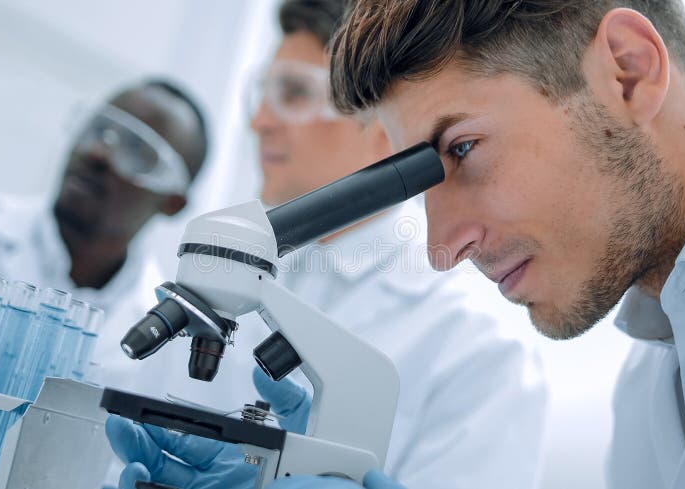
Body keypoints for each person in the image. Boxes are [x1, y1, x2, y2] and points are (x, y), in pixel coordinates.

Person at [106, 1, 548, 489]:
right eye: (263, 94)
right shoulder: (238, 281)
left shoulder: (477, 349)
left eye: (293, 94)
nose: (260, 124)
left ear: (384, 130)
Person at [0, 78, 218, 404]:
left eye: (136, 152)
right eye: (99, 129)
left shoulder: (168, 339)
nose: (98, 152)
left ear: (173, 203)